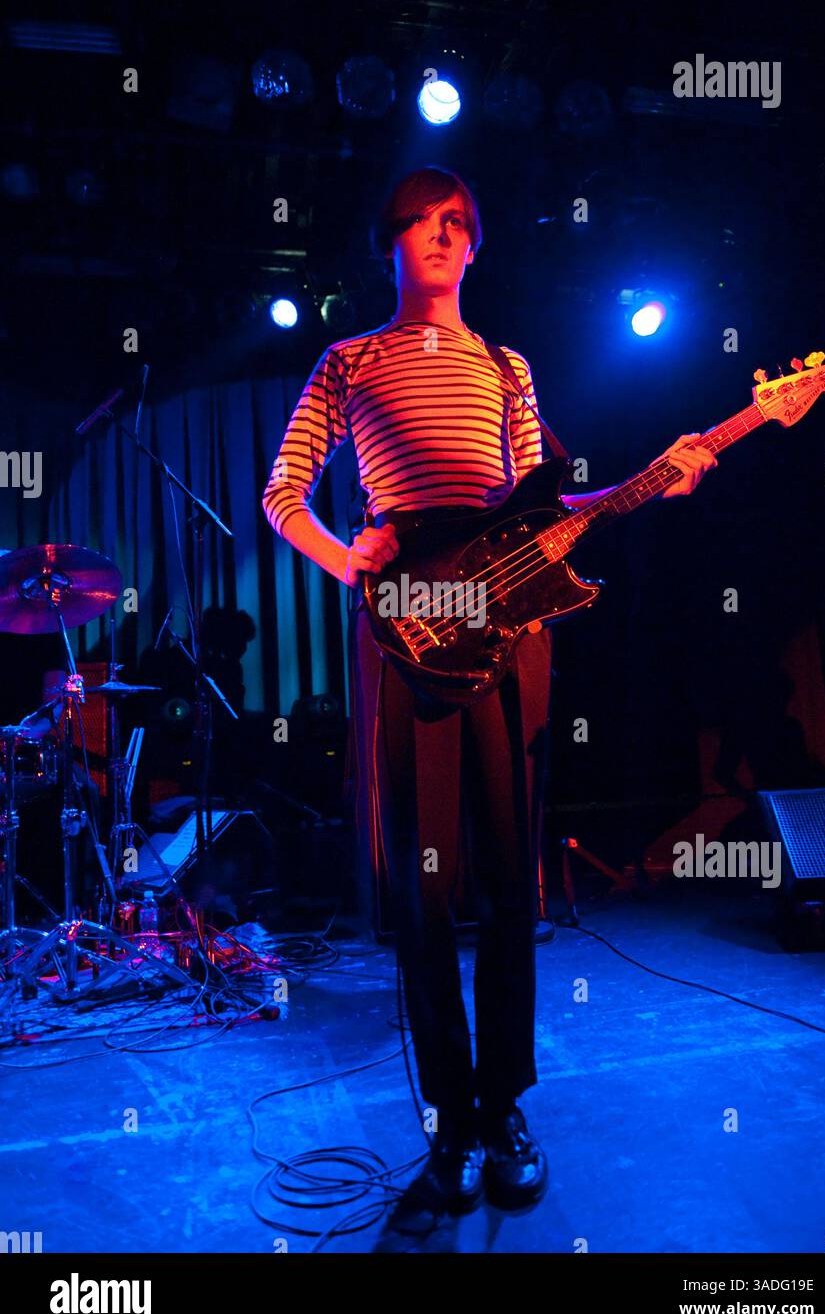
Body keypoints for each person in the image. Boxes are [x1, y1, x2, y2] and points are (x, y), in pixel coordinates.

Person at [261, 166, 716, 1220]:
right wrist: (352, 560)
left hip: (508, 619)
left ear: (475, 247)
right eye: (417, 222)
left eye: (454, 222)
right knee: (423, 891)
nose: (437, 235)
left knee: (514, 878)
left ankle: (504, 1106)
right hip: (408, 607)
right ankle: (449, 1119)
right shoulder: (349, 358)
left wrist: (659, 474)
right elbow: (283, 492)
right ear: (389, 247)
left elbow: (544, 508)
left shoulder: (508, 368)